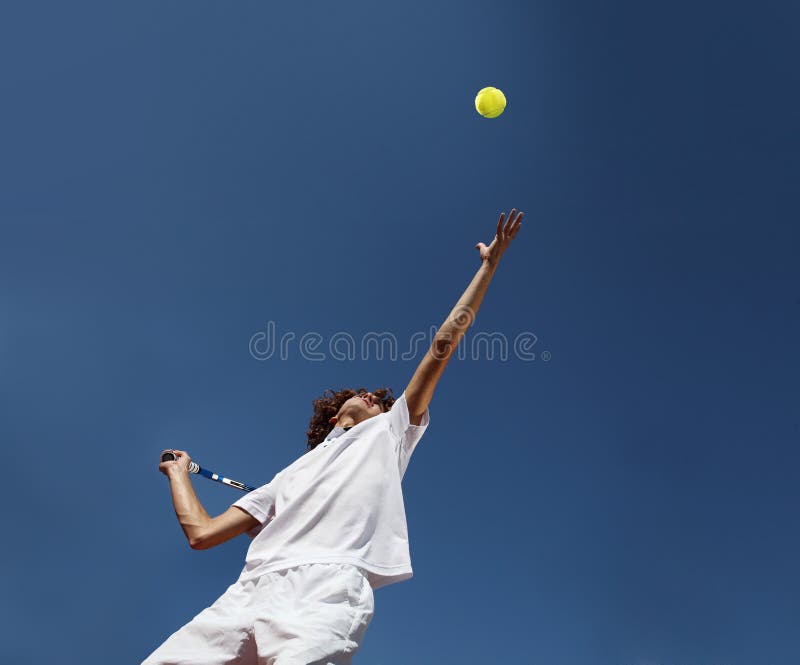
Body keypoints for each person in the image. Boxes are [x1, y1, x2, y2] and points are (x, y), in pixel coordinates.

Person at [142, 209, 523, 665]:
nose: (374, 396)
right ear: (332, 413)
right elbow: (201, 535)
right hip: (244, 595)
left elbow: (442, 346)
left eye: (380, 399)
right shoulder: (284, 480)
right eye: (365, 395)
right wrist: (177, 472)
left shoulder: (389, 432)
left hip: (324, 593)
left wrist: (488, 267)